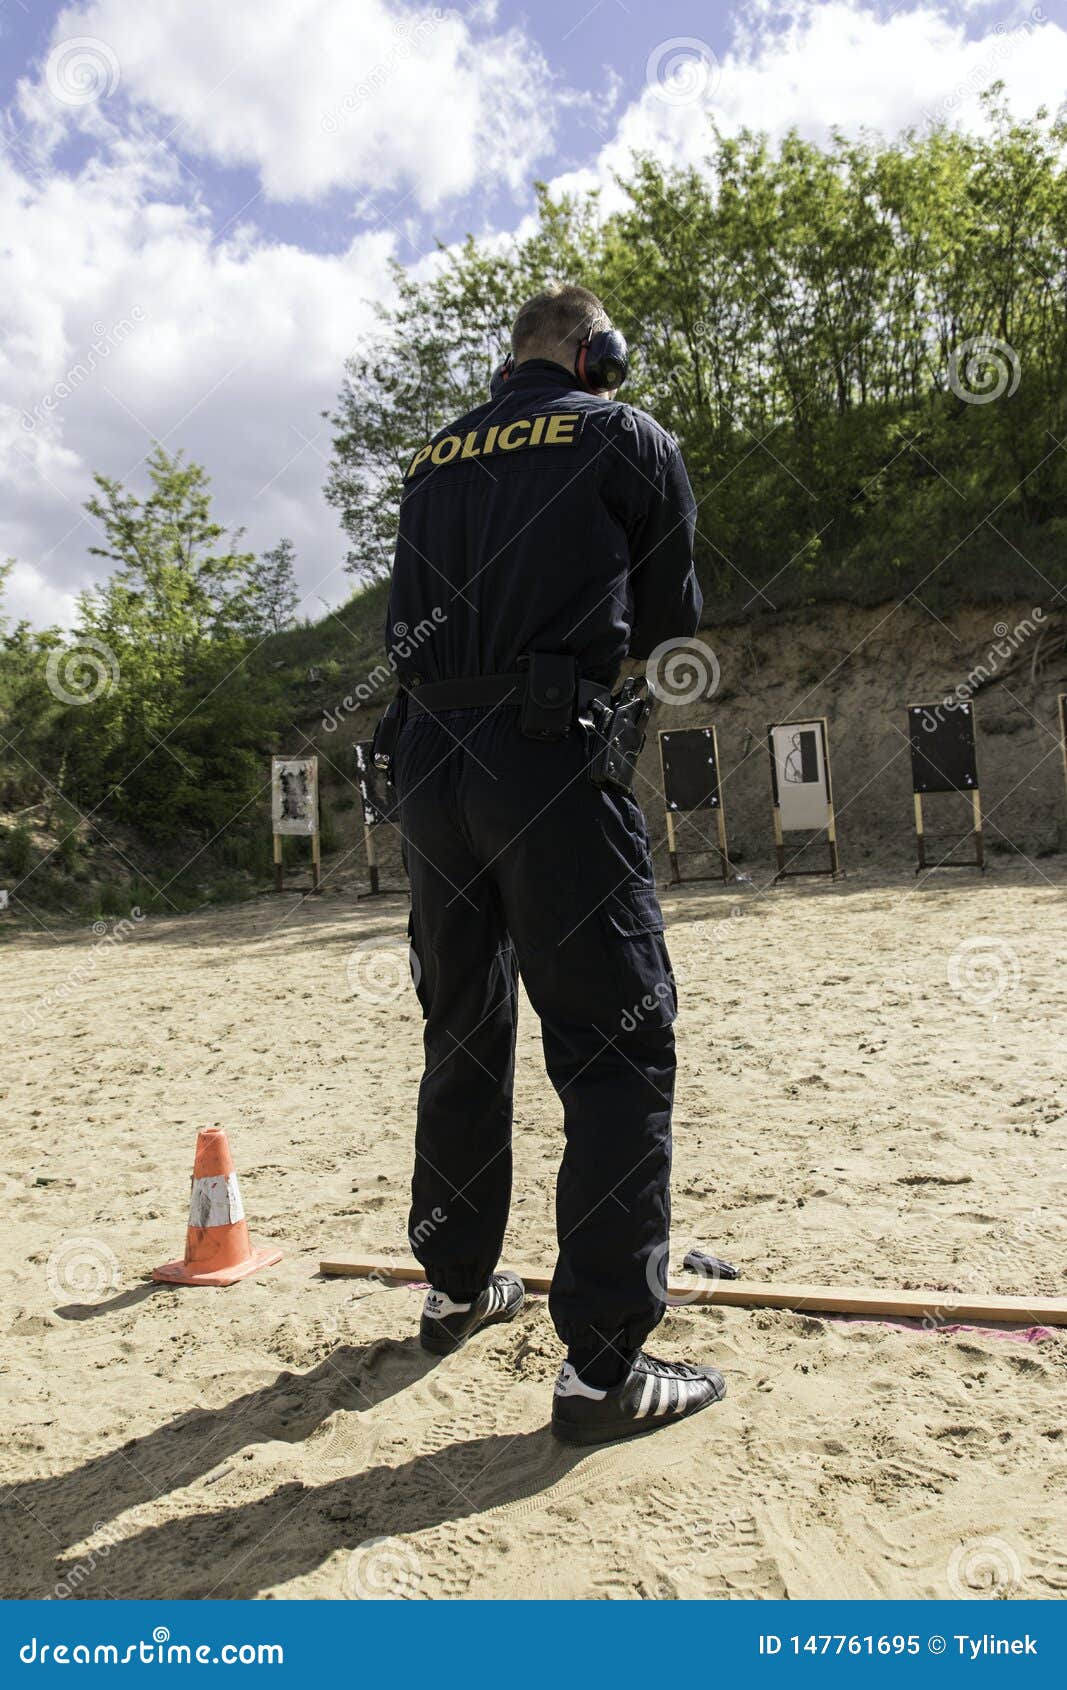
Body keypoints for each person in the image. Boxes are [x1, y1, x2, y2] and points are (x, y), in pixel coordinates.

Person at [379, 282, 726, 1444]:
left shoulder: (431, 459)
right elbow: (670, 624)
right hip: (546, 758)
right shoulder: (622, 433)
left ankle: (454, 1282)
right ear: (595, 352)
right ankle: (601, 1370)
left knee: (463, 1026)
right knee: (617, 1045)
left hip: (428, 766)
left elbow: (406, 628)